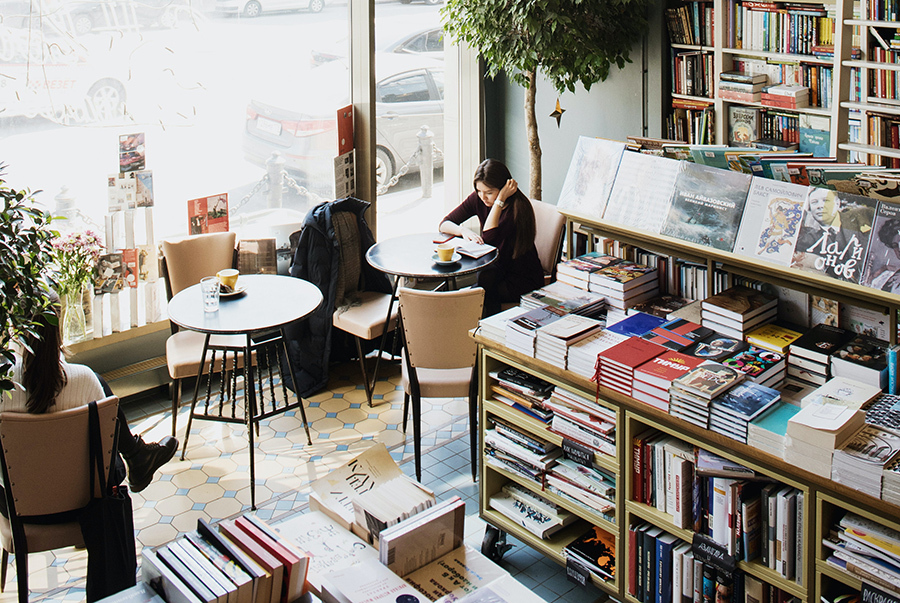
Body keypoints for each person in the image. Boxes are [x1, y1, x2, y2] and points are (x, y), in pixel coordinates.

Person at [2, 291, 178, 502]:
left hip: (18, 503)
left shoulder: (4, 387)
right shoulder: (85, 380)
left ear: (15, 326)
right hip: (84, 502)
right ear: (58, 325)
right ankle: (137, 456)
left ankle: (138, 455)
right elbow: (106, 449)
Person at [440, 159, 543, 315]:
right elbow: (444, 223)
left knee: (477, 294)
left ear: (503, 188)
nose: (483, 197)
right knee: (474, 292)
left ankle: (486, 328)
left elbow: (489, 239)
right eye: (479, 191)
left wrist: (499, 201)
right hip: (496, 272)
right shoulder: (478, 198)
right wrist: (463, 231)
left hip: (519, 279)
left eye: (489, 192)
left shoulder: (518, 209)